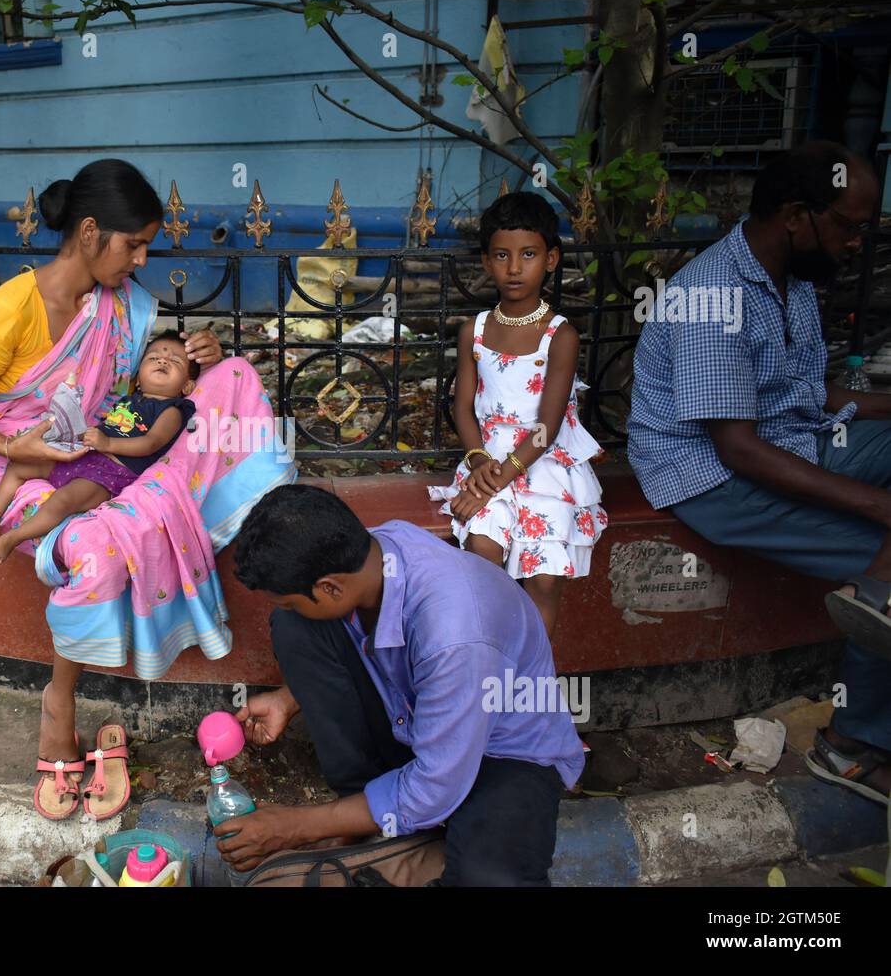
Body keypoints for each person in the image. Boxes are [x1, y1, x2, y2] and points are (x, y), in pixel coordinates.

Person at [0, 159, 295, 820]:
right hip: (33, 469)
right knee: (94, 549)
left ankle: (160, 501)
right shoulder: (10, 308)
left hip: (111, 451)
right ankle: (59, 704)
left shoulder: (122, 307)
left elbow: (139, 394)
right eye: (134, 245)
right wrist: (16, 447)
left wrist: (196, 361)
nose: (142, 258)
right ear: (93, 232)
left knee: (237, 377)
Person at [627, 141, 890, 805]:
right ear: (797, 215)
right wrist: (873, 504)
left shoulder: (789, 279)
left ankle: (877, 586)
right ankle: (853, 745)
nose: (856, 241)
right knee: (884, 548)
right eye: (849, 225)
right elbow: (738, 448)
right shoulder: (715, 296)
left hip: (789, 442)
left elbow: (806, 394)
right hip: (713, 478)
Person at [223, 485, 584, 885]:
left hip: (501, 753)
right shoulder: (373, 551)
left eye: (290, 599)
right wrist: (292, 698)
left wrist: (296, 826)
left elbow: (434, 785)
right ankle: (366, 814)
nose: (288, 608)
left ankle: (385, 821)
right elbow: (383, 654)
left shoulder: (456, 635)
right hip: (420, 718)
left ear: (329, 587)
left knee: (488, 878)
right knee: (298, 627)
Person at [430, 192, 607, 636]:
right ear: (487, 262)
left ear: (550, 260)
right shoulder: (475, 330)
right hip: (487, 458)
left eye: (528, 255)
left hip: (543, 465)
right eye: (501, 256)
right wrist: (476, 462)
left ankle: (530, 678)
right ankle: (484, 662)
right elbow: (464, 407)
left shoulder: (560, 335)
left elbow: (547, 427)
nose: (514, 268)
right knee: (481, 550)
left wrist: (498, 477)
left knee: (543, 577)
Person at [0, 331, 197, 563]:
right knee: (20, 466)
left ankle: (12, 538)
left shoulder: (171, 410)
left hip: (111, 474)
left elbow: (151, 443)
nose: (162, 361)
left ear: (187, 386)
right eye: (154, 357)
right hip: (86, 457)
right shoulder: (129, 400)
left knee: (62, 500)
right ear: (139, 378)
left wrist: (108, 443)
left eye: (174, 361)